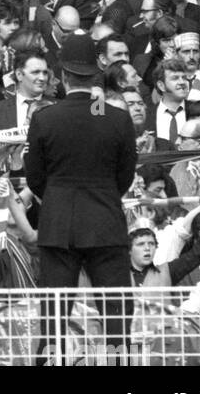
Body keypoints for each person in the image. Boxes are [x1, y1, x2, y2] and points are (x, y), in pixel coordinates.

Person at [25, 33, 139, 363]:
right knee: (117, 320)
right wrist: (102, 195)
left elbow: (34, 177)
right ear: (96, 75)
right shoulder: (116, 118)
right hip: (105, 222)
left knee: (53, 321)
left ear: (62, 75)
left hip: (59, 224)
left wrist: (59, 198)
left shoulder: (45, 118)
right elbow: (125, 175)